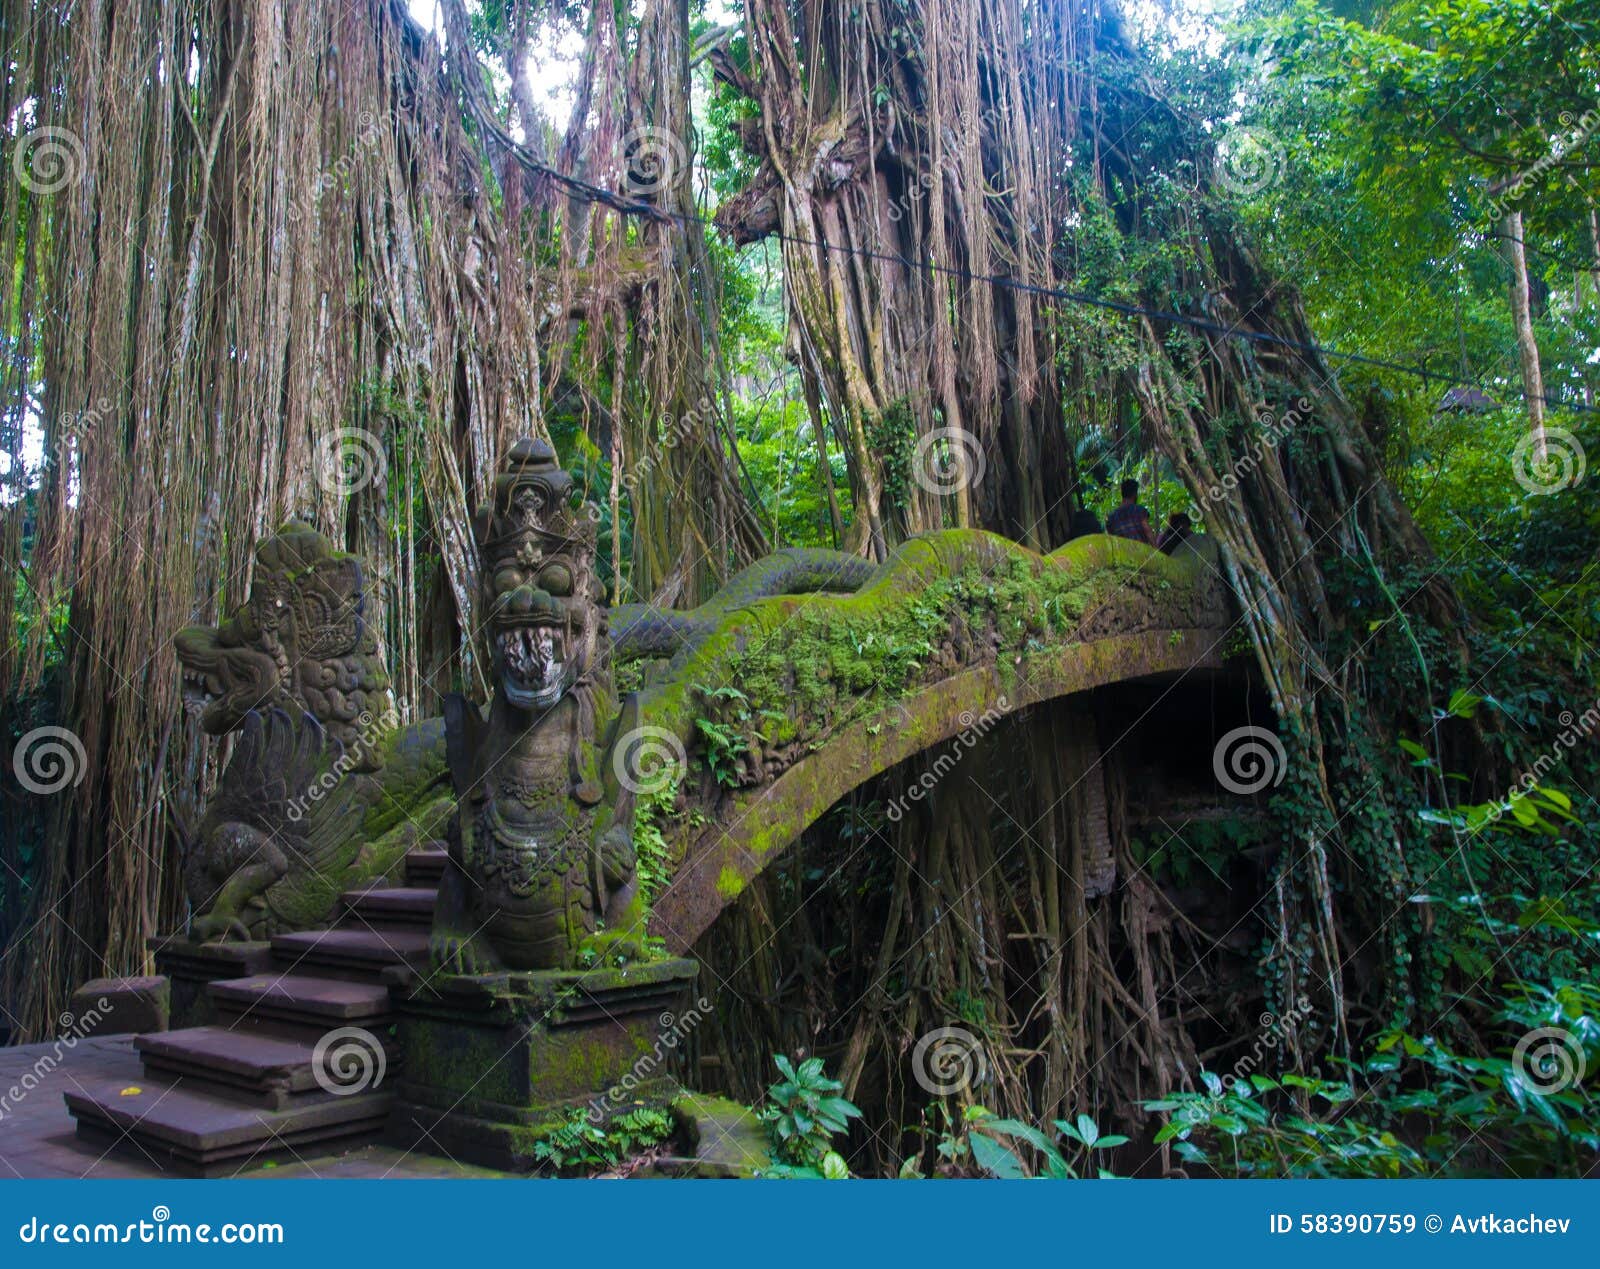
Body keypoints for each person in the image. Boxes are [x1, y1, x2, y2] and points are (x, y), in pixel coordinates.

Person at [1105, 478, 1156, 546]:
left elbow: (1111, 542)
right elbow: (1147, 531)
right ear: (1135, 494)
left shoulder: (1111, 518)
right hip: (1141, 550)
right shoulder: (1139, 510)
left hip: (1124, 551)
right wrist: (1156, 549)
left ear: (1122, 494)